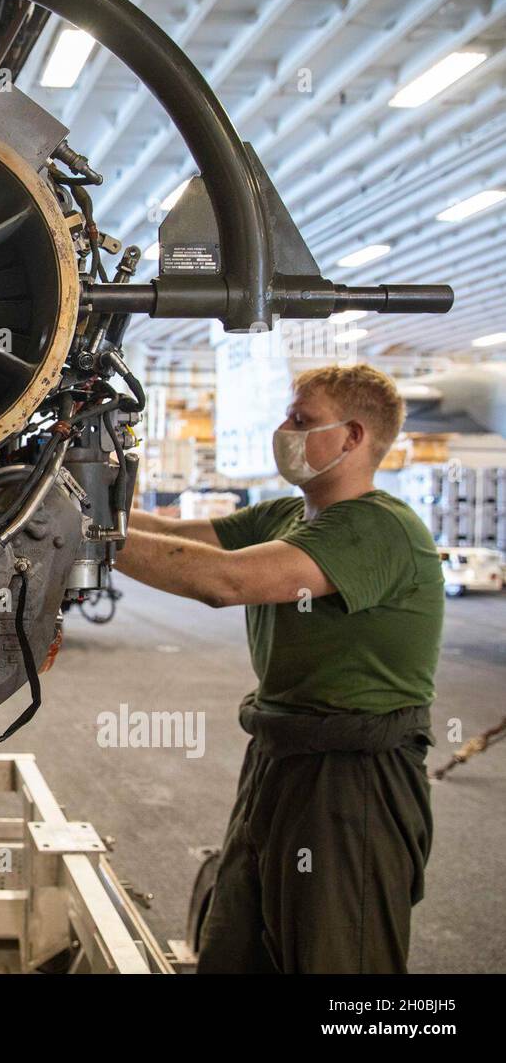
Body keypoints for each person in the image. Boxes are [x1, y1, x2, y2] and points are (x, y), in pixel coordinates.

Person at [115, 363, 443, 973]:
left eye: (302, 419)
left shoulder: (378, 528)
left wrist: (75, 528)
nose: (283, 429)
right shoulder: (286, 517)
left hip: (353, 778)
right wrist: (63, 499)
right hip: (280, 756)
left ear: (353, 437)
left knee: (340, 960)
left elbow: (224, 580)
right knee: (238, 942)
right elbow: (172, 534)